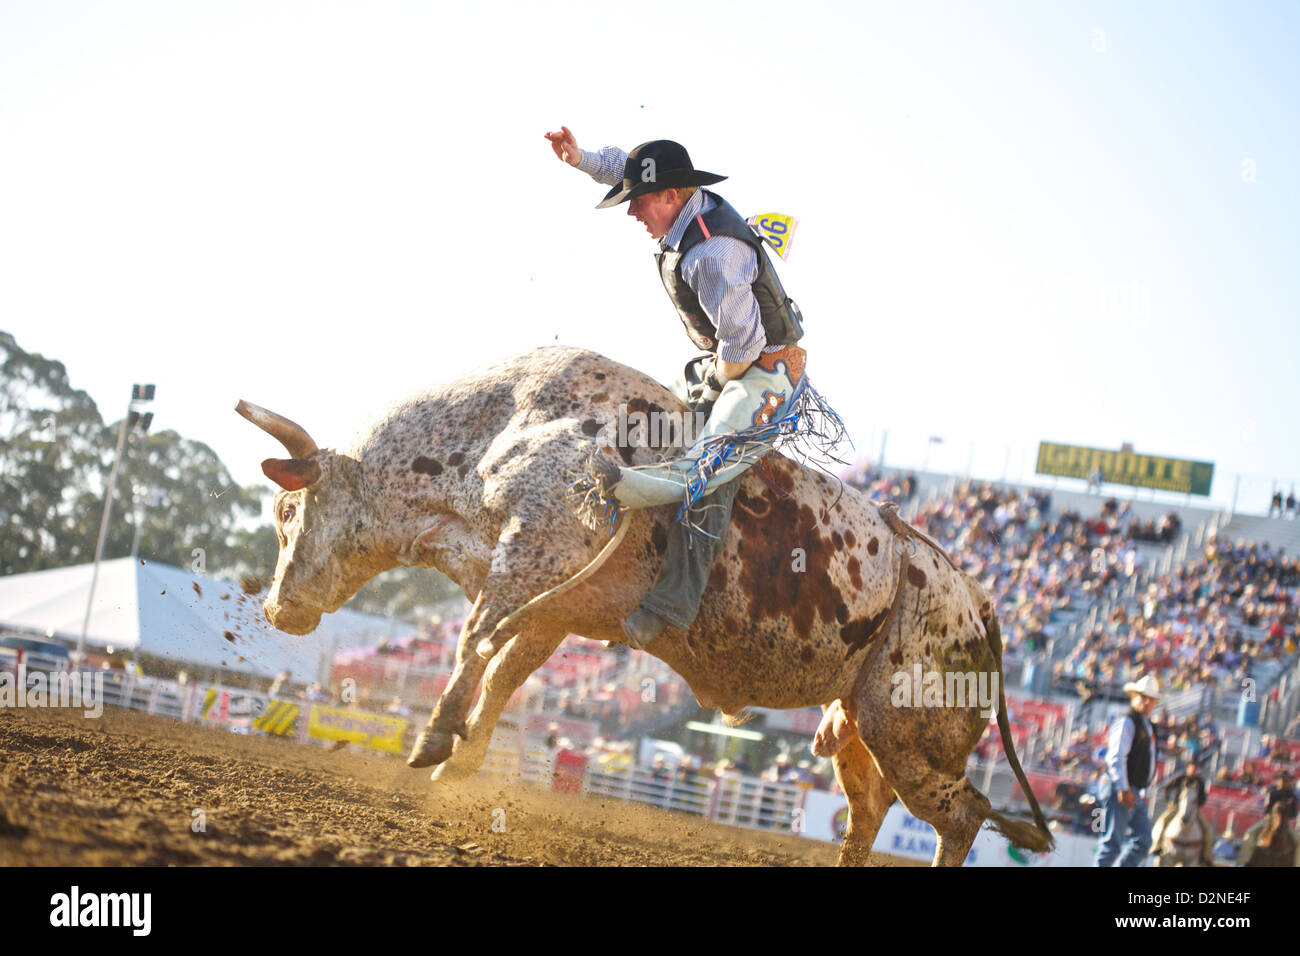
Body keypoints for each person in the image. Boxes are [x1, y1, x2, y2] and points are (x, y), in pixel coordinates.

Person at [546, 128, 831, 650]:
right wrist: (581, 158)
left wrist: (708, 394)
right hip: (723, 358)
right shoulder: (681, 208)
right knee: (642, 407)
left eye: (638, 203)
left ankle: (671, 605)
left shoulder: (712, 254)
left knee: (707, 470)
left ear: (670, 197)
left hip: (767, 373)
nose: (632, 213)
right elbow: (625, 168)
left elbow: (742, 353)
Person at [1095, 674, 1161, 866]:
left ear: (1155, 702)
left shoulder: (1147, 725)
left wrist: (1144, 790)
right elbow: (1116, 756)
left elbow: (1148, 761)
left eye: (1150, 698)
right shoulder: (1127, 721)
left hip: (1133, 789)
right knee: (1111, 844)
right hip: (1121, 787)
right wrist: (1123, 787)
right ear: (1134, 696)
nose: (1146, 702)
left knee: (1143, 841)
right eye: (1143, 696)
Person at [1149, 755, 1214, 864]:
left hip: (1193, 809)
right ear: (1188, 767)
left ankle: (1206, 854)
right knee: (1163, 821)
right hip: (1177, 808)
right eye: (1191, 767)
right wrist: (1170, 801)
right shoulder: (1180, 778)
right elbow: (1167, 789)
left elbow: (1203, 798)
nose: (1193, 770)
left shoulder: (1200, 782)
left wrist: (1198, 805)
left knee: (1207, 829)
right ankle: (1157, 844)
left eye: (1195, 768)